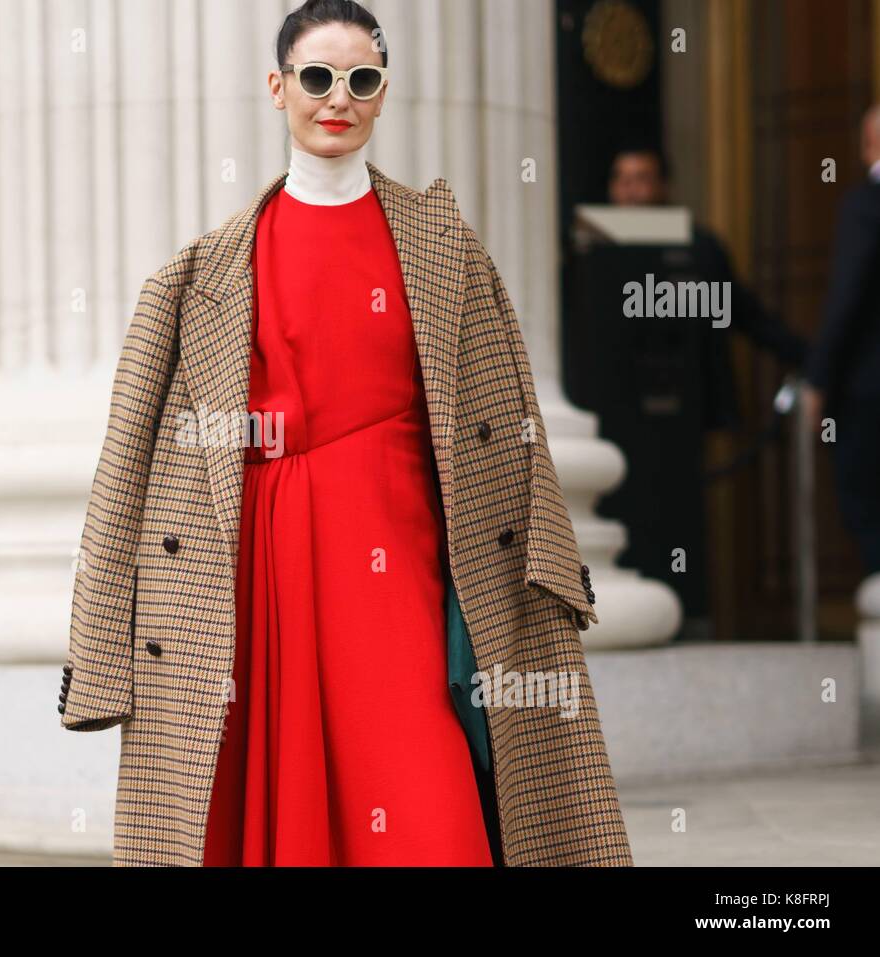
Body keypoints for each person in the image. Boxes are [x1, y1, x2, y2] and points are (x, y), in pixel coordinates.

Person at [59, 0, 631, 868]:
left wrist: (550, 573)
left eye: (360, 79)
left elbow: (516, 428)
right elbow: (123, 475)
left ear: (383, 91)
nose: (338, 98)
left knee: (428, 805)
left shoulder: (447, 246)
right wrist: (100, 652)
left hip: (406, 554)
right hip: (261, 566)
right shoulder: (194, 274)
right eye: (317, 77)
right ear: (277, 86)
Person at [607, 145, 808, 430]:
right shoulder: (594, 251)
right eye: (622, 180)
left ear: (663, 185)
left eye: (641, 179)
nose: (630, 191)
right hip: (616, 398)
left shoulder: (700, 249)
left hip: (687, 399)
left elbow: (743, 313)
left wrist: (810, 357)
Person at [803, 106, 880, 575]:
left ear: (867, 144)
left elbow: (847, 296)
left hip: (870, 392)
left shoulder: (865, 204)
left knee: (867, 509)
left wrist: (817, 379)